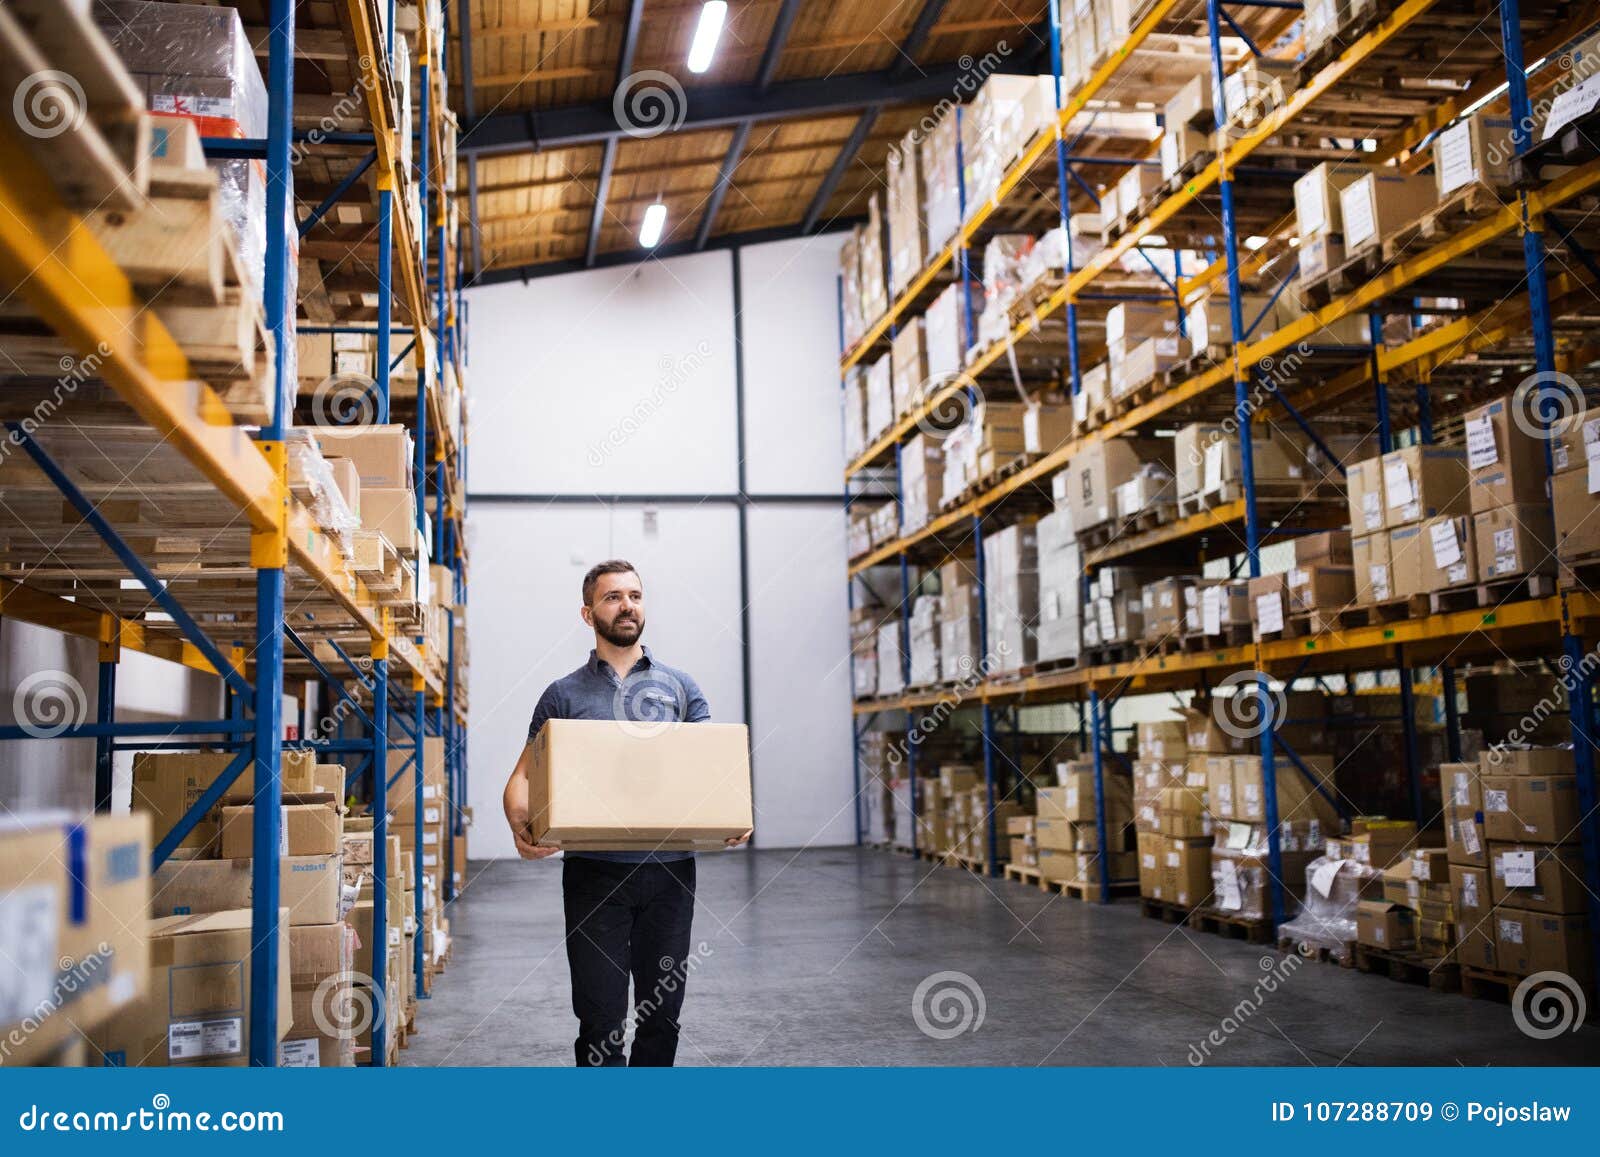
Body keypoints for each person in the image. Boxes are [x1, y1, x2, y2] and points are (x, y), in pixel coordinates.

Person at [502, 559, 751, 1067]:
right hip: (594, 875)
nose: (627, 605)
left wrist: (734, 814)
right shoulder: (563, 694)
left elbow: (713, 771)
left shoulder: (680, 687)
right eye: (613, 597)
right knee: (600, 1017)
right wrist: (518, 825)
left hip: (669, 876)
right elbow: (523, 777)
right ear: (588, 611)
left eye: (635, 595)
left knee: (661, 1015)